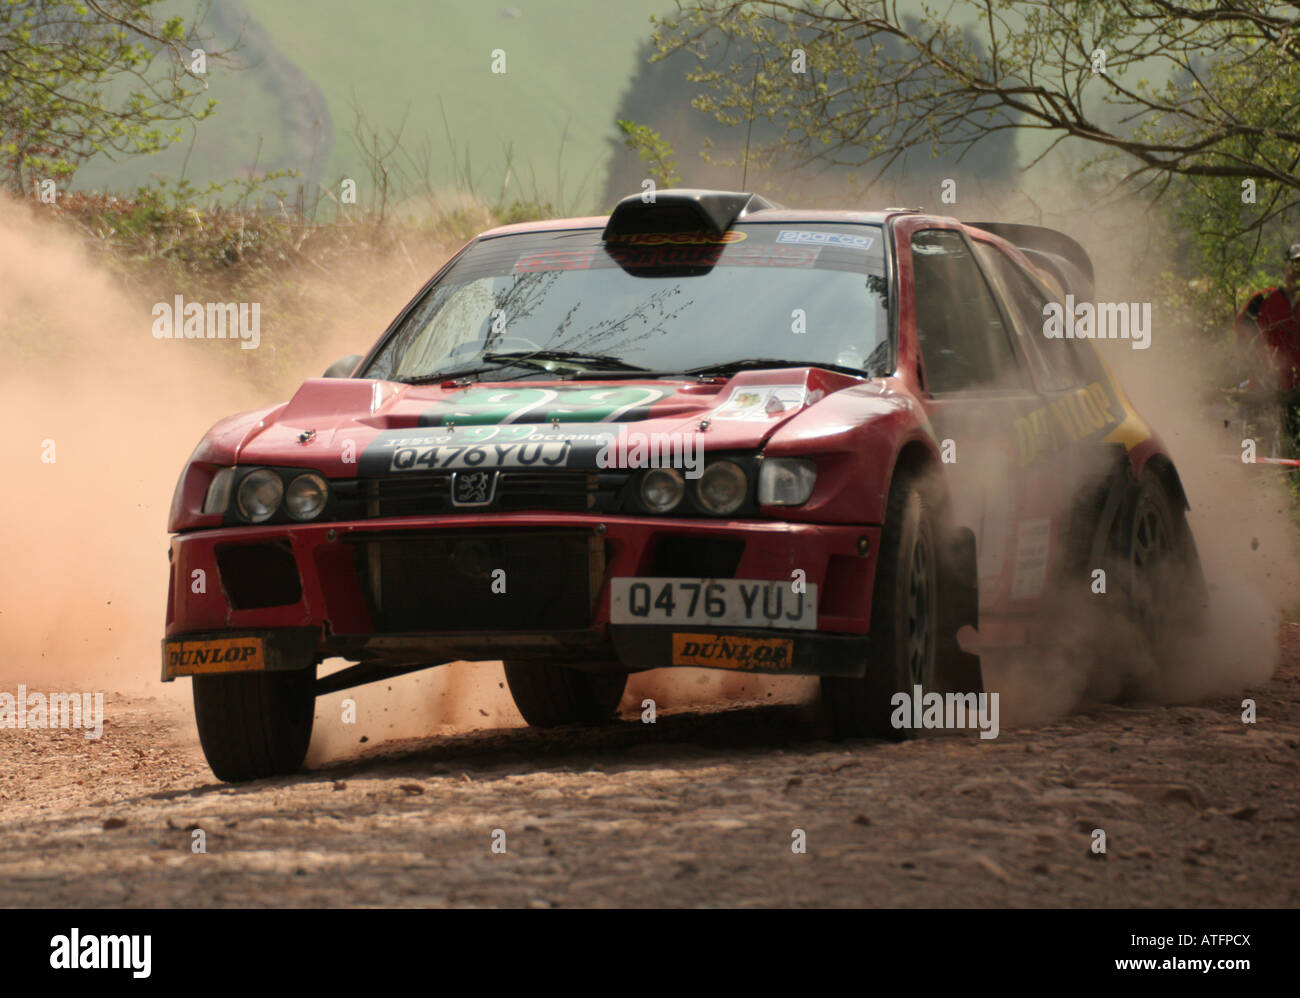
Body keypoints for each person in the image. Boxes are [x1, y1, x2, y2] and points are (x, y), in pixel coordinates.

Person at [1235, 244, 1300, 451]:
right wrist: (1259, 370)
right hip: (1264, 387)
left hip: (1297, 393)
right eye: (1295, 265)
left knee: (1291, 454)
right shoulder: (1261, 301)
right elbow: (1243, 339)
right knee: (1259, 449)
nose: (1298, 271)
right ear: (1285, 268)